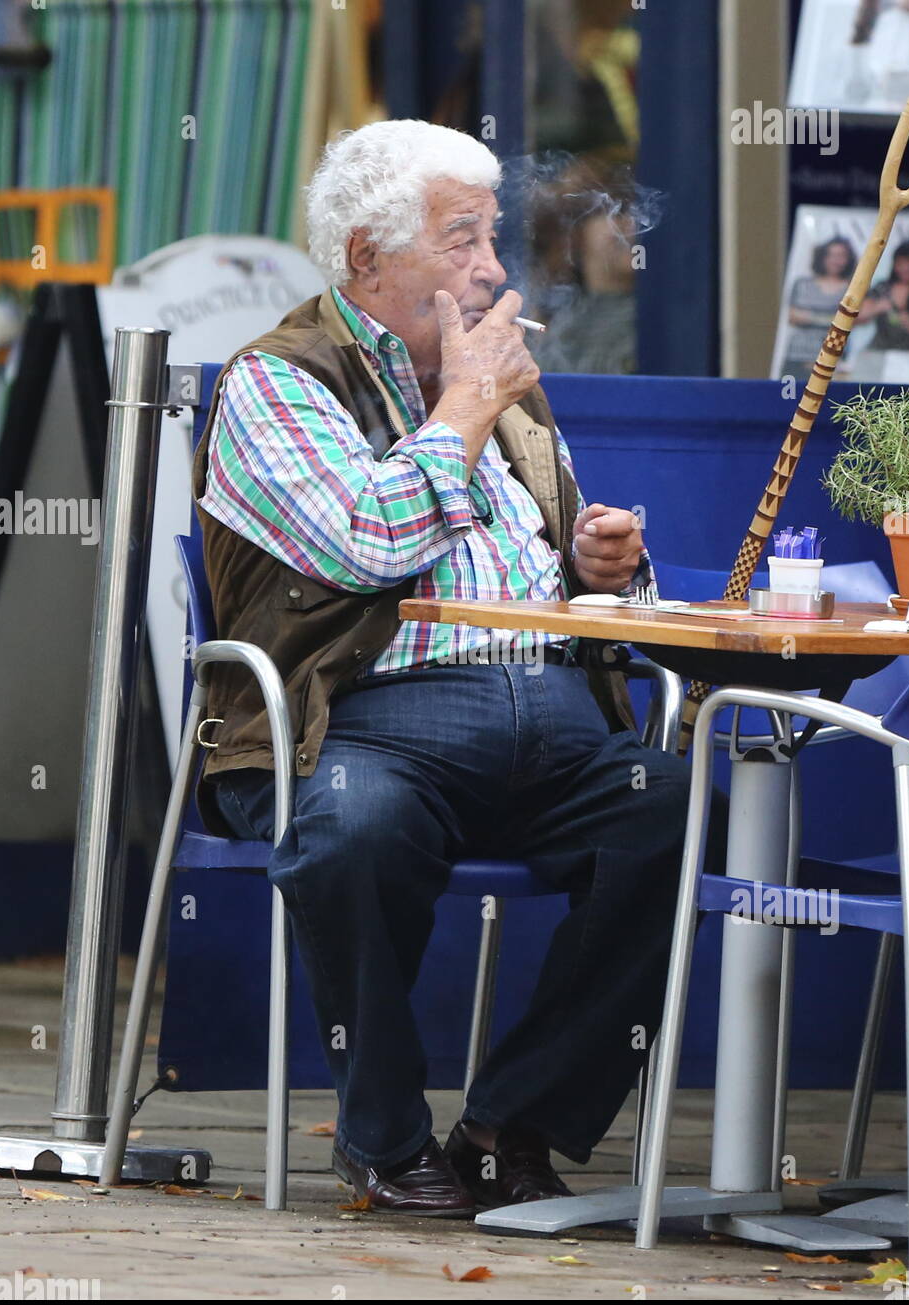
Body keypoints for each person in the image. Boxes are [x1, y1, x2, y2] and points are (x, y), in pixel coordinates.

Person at [192, 119, 725, 1218]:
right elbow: (365, 541)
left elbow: (581, 574)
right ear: (364, 259)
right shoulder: (279, 382)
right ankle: (382, 1136)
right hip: (359, 723)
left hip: (549, 713)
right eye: (460, 240)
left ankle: (508, 1127)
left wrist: (600, 562)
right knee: (356, 827)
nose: (492, 268)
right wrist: (468, 404)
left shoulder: (501, 384)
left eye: (492, 237)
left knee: (669, 804)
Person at [780, 236, 857, 383]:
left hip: (833, 357)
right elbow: (793, 316)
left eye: (841, 256)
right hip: (797, 356)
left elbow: (853, 320)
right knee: (790, 398)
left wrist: (809, 317)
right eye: (831, 255)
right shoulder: (802, 284)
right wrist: (831, 319)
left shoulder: (852, 289)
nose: (836, 260)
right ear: (823, 257)